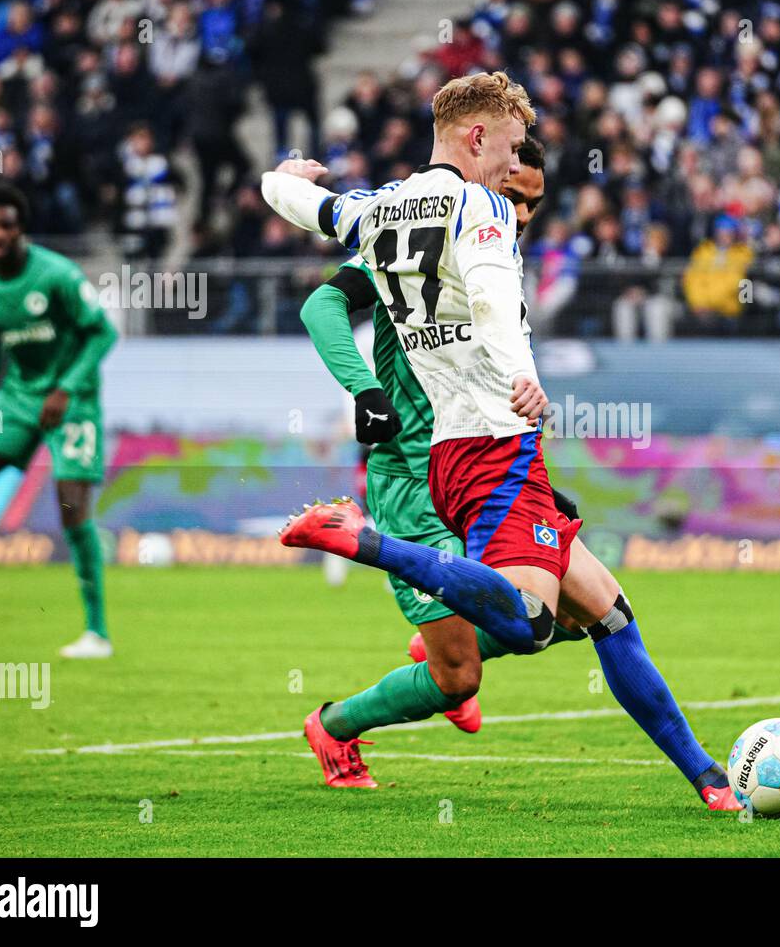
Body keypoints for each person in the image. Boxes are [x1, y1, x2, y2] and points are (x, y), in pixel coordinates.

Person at [263, 72, 743, 808]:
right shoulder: (476, 208)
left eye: (528, 190)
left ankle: (708, 779)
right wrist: (521, 377)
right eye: (512, 153)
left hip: (467, 451)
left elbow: (315, 206)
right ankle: (364, 546)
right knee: (523, 628)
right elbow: (485, 299)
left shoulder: (384, 208)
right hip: (471, 450)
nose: (513, 179)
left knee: (607, 615)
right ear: (478, 137)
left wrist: (282, 179)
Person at [300, 135, 583, 745]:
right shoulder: (416, 238)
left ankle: (452, 631)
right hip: (413, 479)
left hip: (483, 472)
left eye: (533, 203)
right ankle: (331, 728)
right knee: (458, 679)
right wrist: (364, 389)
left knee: (569, 612)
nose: (522, 215)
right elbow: (322, 306)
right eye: (511, 194)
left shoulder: (498, 258)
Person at [0, 183, 117, 656]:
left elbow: (102, 334)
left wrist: (66, 388)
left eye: (7, 225)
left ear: (20, 228)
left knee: (71, 507)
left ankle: (97, 633)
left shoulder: (57, 274)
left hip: (73, 398)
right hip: (18, 397)